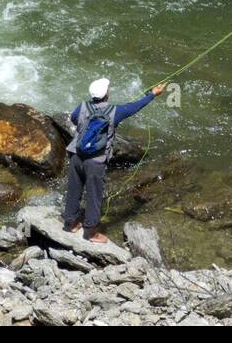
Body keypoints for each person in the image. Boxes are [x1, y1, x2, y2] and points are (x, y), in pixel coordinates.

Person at [63, 77, 165, 244]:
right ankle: (91, 233)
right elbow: (134, 107)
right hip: (95, 161)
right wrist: (152, 94)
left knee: (74, 190)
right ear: (106, 94)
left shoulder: (81, 107)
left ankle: (71, 223)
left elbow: (74, 119)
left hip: (76, 155)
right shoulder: (115, 111)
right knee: (94, 196)